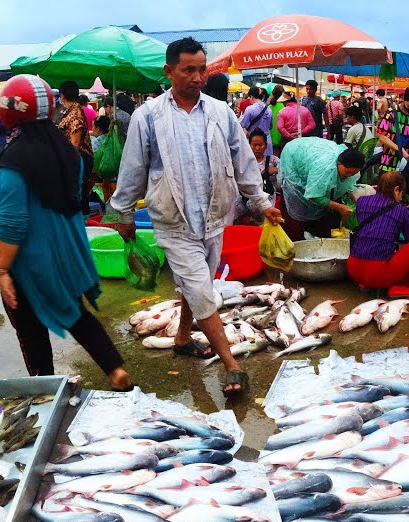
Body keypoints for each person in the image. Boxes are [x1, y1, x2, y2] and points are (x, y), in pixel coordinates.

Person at [111, 37, 281, 399]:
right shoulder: (149, 116)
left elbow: (243, 162)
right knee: (203, 292)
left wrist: (261, 202)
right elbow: (133, 169)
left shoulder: (220, 113)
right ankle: (233, 366)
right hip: (173, 221)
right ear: (169, 71)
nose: (198, 77)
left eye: (202, 69)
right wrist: (122, 211)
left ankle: (184, 337)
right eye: (189, 70)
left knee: (198, 281)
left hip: (215, 215)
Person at [0, 75, 133, 391]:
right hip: (69, 250)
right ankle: (115, 369)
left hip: (32, 258)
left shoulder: (13, 163)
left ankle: (45, 387)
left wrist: (1, 269)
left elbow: (12, 225)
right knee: (76, 313)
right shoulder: (68, 152)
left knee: (30, 329)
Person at [347, 172, 409, 296]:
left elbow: (368, 229)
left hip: (354, 269)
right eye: (402, 192)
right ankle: (403, 285)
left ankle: (366, 283)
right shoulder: (401, 210)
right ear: (396, 190)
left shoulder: (362, 201)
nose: (401, 196)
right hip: (378, 273)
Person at [278, 138, 364, 240]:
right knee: (298, 197)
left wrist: (356, 199)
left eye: (353, 173)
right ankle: (299, 237)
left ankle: (314, 231)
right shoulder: (323, 168)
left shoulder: (352, 168)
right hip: (293, 155)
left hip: (313, 152)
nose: (349, 175)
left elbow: (348, 185)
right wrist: (339, 207)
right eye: (347, 171)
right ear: (339, 163)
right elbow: (314, 196)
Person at [376, 87, 409, 173]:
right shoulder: (391, 113)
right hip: (388, 162)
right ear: (403, 99)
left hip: (407, 164)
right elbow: (382, 137)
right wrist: (400, 150)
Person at [57, 81, 94, 200]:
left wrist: (67, 163)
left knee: (79, 196)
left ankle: (84, 218)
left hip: (79, 158)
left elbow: (75, 142)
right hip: (77, 157)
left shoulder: (75, 113)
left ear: (62, 96)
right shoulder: (72, 111)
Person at [244, 128, 279, 219]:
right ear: (249, 145)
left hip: (269, 202)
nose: (257, 148)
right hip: (246, 201)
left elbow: (286, 172)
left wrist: (276, 170)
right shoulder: (244, 162)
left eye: (260, 145)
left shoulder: (273, 160)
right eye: (254, 145)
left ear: (266, 146)